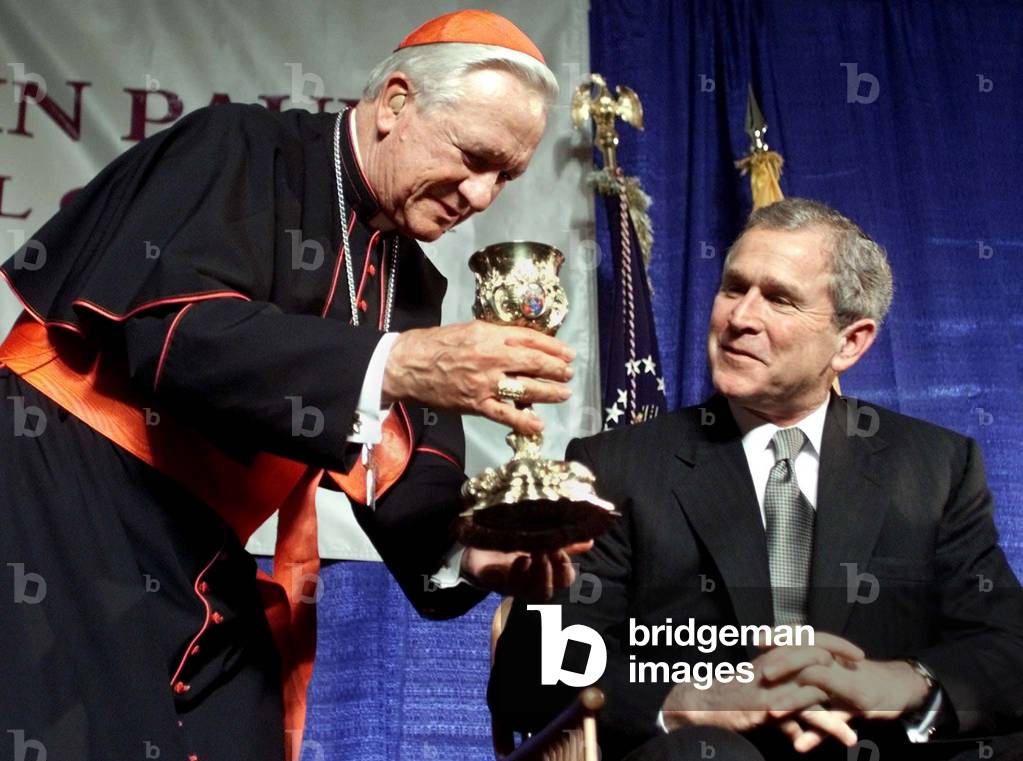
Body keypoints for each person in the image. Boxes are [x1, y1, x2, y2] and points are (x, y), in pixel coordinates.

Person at [0, 10, 588, 761]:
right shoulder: (241, 146)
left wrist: (476, 554)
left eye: (505, 175)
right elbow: (172, 336)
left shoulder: (412, 287)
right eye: (473, 156)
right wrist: (399, 363)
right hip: (61, 501)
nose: (481, 194)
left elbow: (407, 494)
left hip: (201, 559)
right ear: (397, 102)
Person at [489, 198, 1023, 760]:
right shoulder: (617, 466)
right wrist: (685, 701)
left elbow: (1008, 645)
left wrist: (902, 682)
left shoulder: (935, 467)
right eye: (733, 288)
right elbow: (529, 672)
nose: (740, 318)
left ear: (851, 342)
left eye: (780, 299)